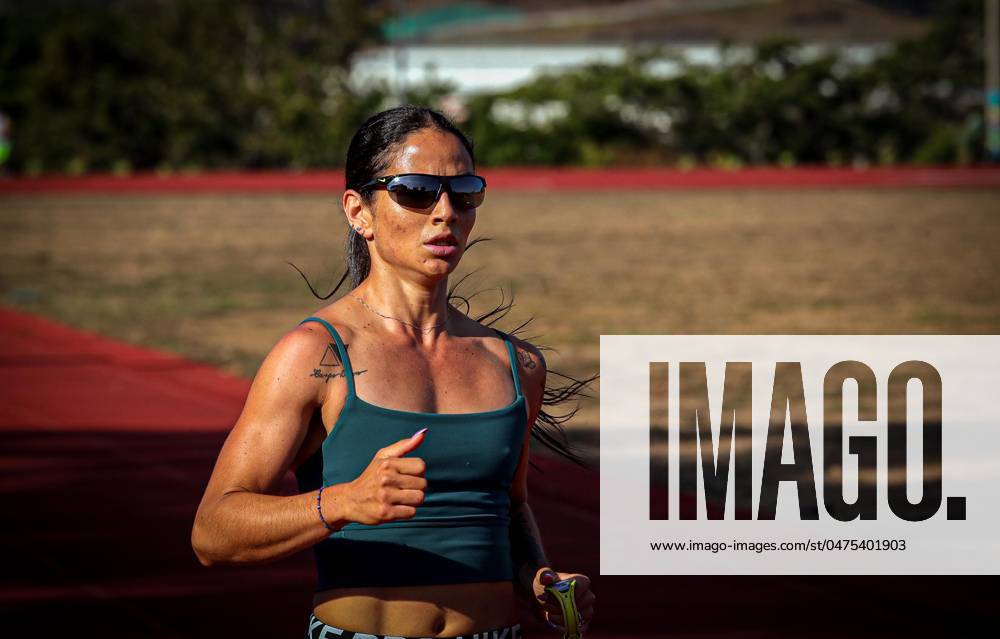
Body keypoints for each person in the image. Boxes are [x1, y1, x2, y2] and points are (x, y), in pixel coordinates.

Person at [191, 104, 596, 637]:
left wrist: (537, 576)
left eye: (465, 191)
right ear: (359, 212)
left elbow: (508, 505)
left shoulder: (517, 365)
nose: (445, 211)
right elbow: (214, 532)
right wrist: (344, 502)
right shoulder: (315, 356)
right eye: (415, 190)